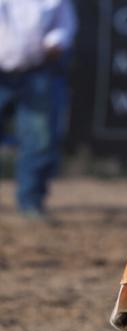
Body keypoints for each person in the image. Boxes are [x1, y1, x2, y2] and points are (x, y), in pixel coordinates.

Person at [0, 0, 76, 221]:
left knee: (39, 138)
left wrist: (55, 42)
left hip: (38, 69)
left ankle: (31, 202)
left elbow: (64, 26)